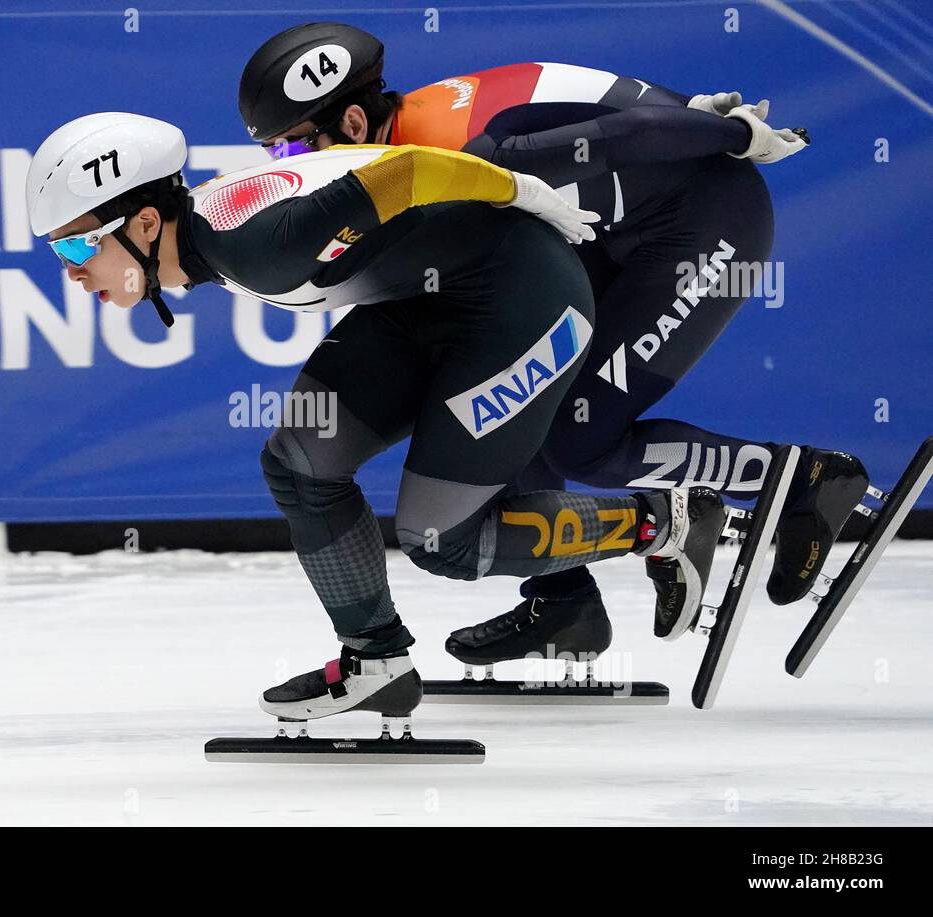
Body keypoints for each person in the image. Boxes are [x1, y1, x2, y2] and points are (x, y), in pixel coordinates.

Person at [25, 112, 728, 722]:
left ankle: (664, 522)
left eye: (77, 246)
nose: (72, 270)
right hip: (431, 300)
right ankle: (376, 663)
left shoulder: (256, 247)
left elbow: (410, 167)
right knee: (301, 460)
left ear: (147, 222)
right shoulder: (217, 232)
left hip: (529, 303)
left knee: (441, 539)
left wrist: (518, 190)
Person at [238, 22, 868, 667]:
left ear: (350, 122)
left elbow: (625, 135)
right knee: (516, 385)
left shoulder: (459, 147)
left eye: (290, 153)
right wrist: (681, 109)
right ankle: (564, 603)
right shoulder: (400, 138)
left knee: (581, 438)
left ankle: (803, 479)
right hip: (607, 227)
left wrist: (733, 134)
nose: (289, 172)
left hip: (704, 222)